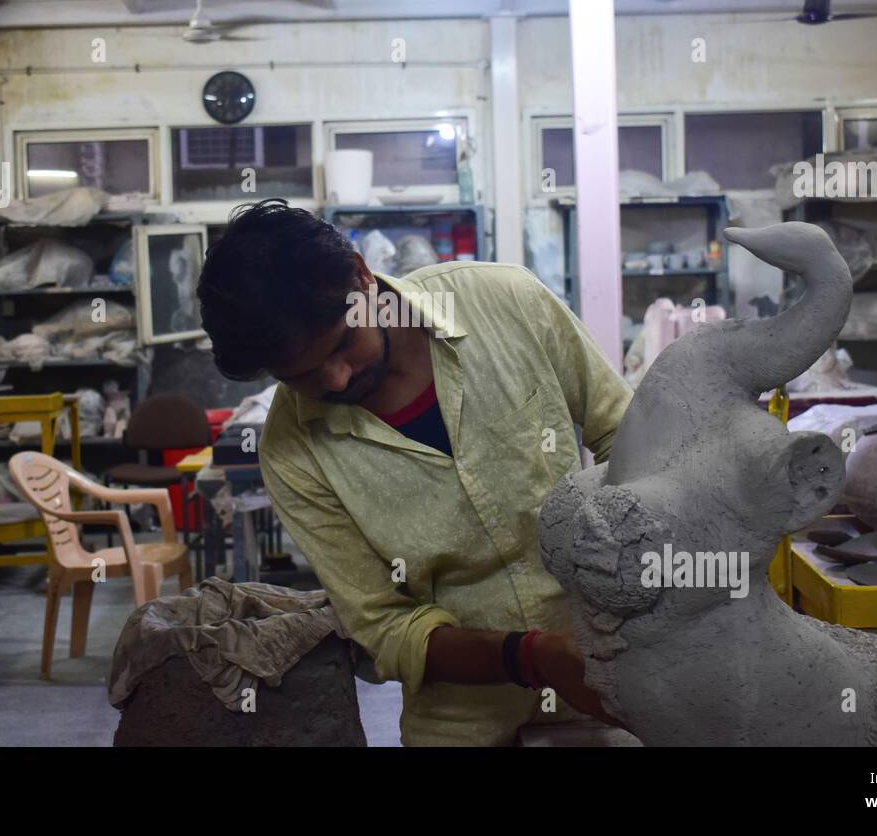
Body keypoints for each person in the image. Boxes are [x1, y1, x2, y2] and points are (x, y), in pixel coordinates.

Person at [197, 199, 633, 745]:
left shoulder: (505, 304)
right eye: (302, 374)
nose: (335, 380)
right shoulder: (292, 451)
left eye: (341, 344)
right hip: (461, 716)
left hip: (614, 669)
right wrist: (532, 657)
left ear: (361, 275)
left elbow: (629, 441)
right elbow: (384, 625)